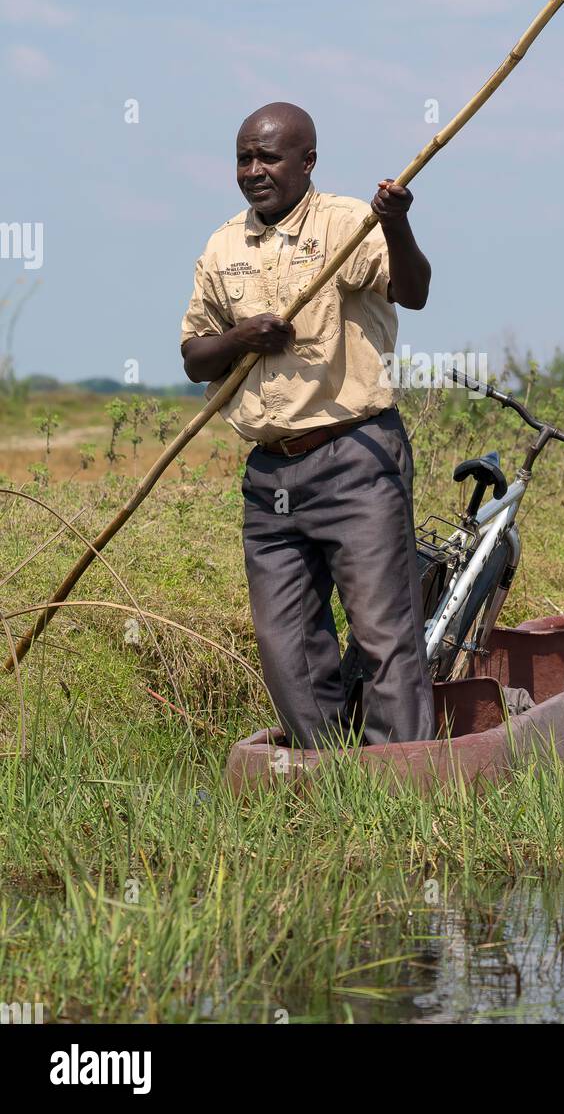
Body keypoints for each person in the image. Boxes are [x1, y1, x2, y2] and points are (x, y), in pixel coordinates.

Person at [180, 101, 436, 749]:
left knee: (383, 633)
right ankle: (333, 784)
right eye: (244, 157)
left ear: (307, 162)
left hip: (355, 457)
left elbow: (414, 291)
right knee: (285, 643)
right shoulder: (223, 246)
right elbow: (193, 357)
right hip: (270, 474)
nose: (254, 170)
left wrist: (398, 226)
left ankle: (406, 783)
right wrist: (241, 336)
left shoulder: (347, 223)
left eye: (269, 157)